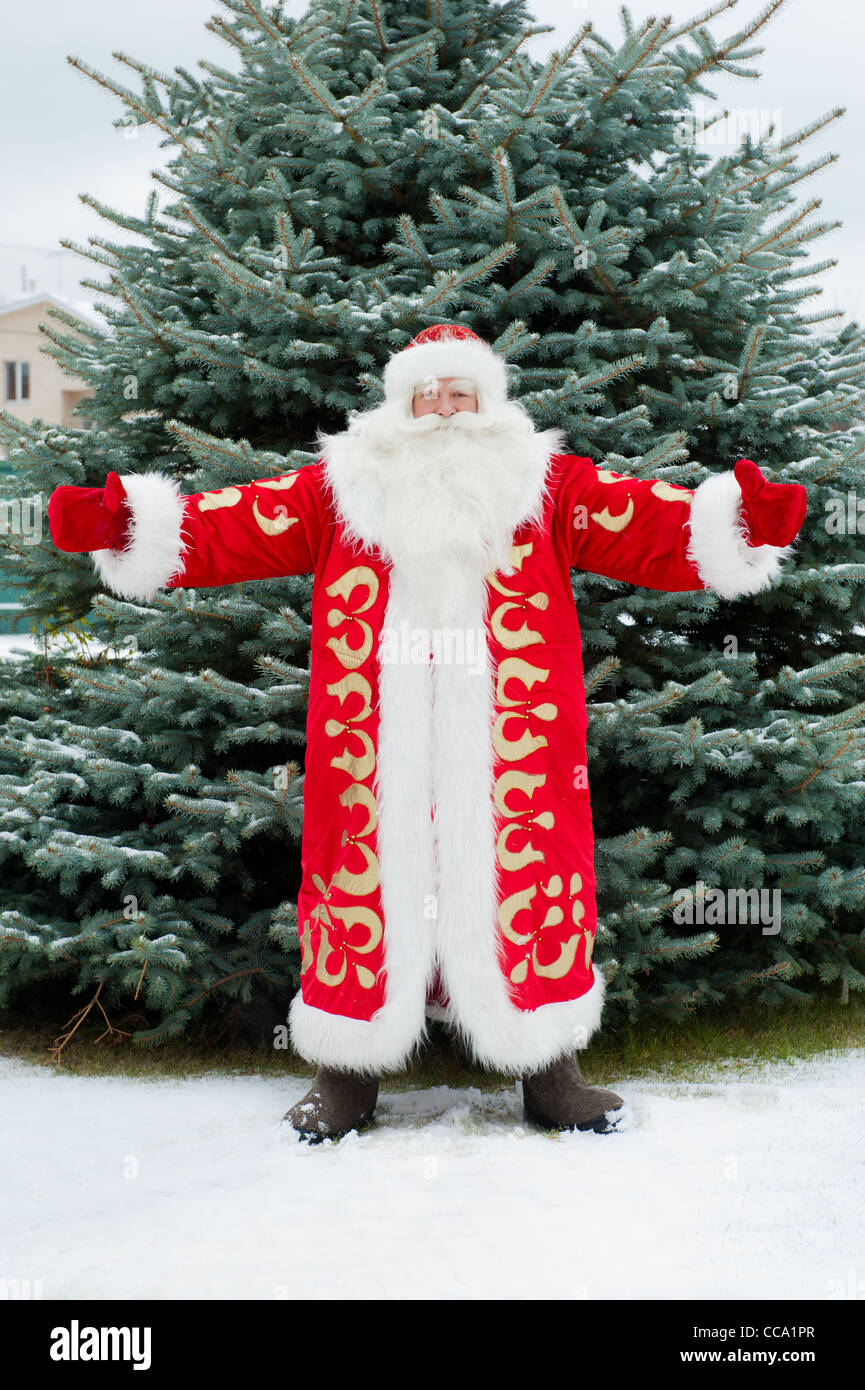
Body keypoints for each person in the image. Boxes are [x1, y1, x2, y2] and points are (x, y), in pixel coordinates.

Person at [48, 323, 808, 1141]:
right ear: (400, 402)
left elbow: (643, 523)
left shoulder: (547, 485)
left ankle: (551, 1074)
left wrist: (738, 523)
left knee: (529, 878)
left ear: (485, 401)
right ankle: (345, 1077)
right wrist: (128, 526)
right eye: (426, 394)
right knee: (363, 884)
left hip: (515, 742)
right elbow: (239, 522)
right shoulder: (341, 487)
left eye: (459, 394)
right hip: (370, 744)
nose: (443, 409)